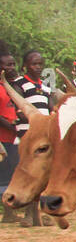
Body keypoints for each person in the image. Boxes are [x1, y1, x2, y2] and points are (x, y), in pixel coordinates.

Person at [11, 50, 51, 226]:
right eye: (34, 64)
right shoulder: (19, 84)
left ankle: (42, 213)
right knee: (28, 172)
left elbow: (51, 109)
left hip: (43, 137)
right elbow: (17, 110)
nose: (38, 67)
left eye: (40, 64)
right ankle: (29, 214)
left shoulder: (45, 87)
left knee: (42, 174)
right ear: (25, 65)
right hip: (27, 135)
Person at [0, 53, 19, 223]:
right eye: (7, 65)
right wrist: (13, 127)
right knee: (5, 175)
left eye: (13, 64)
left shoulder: (13, 87)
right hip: (3, 138)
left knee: (14, 172)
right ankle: (7, 213)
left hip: (15, 138)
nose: (11, 68)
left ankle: (11, 211)